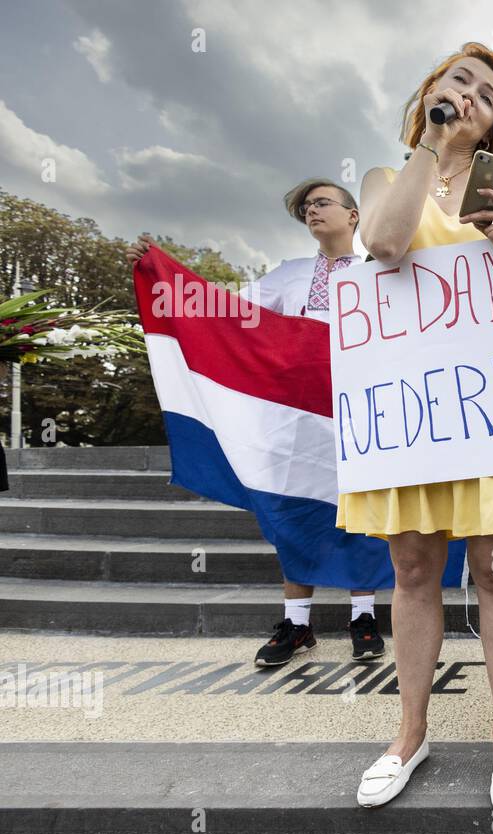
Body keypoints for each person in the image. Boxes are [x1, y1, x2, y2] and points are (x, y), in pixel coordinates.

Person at [342, 43, 493, 814]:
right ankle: (410, 731)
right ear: (433, 90)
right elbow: (387, 244)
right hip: (412, 411)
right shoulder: (384, 178)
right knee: (412, 571)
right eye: (458, 81)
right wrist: (431, 148)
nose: (469, 96)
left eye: (487, 96)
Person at [125, 179, 385, 668]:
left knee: (361, 513)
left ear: (354, 216)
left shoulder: (381, 272)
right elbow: (226, 313)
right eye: (307, 206)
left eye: (323, 203)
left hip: (355, 414)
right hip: (292, 419)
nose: (312, 211)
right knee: (290, 512)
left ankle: (363, 616)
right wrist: (161, 272)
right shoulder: (288, 274)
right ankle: (297, 622)